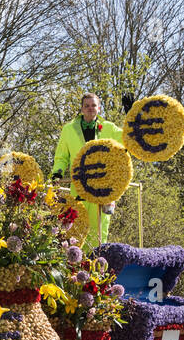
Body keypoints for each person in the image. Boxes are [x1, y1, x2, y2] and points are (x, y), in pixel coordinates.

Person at [51, 92, 129, 247]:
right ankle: (73, 264)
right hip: (79, 186)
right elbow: (61, 156)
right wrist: (57, 172)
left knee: (99, 230)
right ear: (81, 109)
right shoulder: (68, 130)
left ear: (99, 108)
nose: (90, 108)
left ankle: (96, 265)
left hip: (102, 188)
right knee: (75, 226)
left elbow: (128, 139)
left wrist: (132, 117)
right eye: (86, 106)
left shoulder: (109, 128)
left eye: (93, 105)